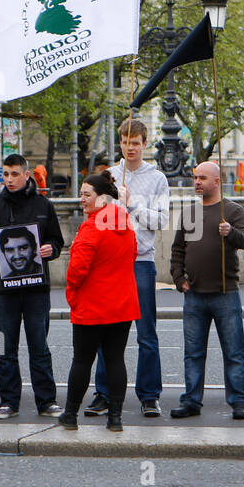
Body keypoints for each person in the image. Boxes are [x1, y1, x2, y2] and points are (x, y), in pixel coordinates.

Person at [86, 118, 168, 419]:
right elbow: (94, 213)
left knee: (146, 332)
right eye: (125, 142)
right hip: (111, 262)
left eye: (135, 143)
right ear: (119, 142)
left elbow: (161, 221)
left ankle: (149, 396)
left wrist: (131, 205)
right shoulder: (109, 175)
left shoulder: (157, 178)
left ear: (145, 143)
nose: (130, 148)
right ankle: (104, 393)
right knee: (106, 329)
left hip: (141, 261)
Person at [0, 153, 64, 420]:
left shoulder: (43, 205)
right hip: (4, 291)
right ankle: (9, 402)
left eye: (14, 174)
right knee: (5, 347)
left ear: (27, 175)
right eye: (6, 174)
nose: (9, 180)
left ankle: (46, 401)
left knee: (39, 346)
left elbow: (57, 240)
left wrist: (51, 249)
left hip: (36, 289)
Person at [169, 161, 244, 420]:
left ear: (217, 182)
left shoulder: (233, 210)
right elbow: (178, 249)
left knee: (234, 351)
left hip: (225, 293)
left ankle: (239, 401)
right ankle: (191, 401)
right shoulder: (189, 212)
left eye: (202, 178)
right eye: (195, 177)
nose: (197, 182)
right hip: (194, 294)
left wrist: (230, 233)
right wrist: (178, 278)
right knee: (193, 353)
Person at [58, 171, 140, 432]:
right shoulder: (125, 223)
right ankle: (115, 418)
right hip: (122, 305)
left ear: (102, 198)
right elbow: (133, 255)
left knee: (82, 360)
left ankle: (70, 414)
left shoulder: (91, 227)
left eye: (86, 195)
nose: (81, 199)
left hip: (92, 306)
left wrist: (72, 295)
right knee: (116, 360)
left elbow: (76, 271)